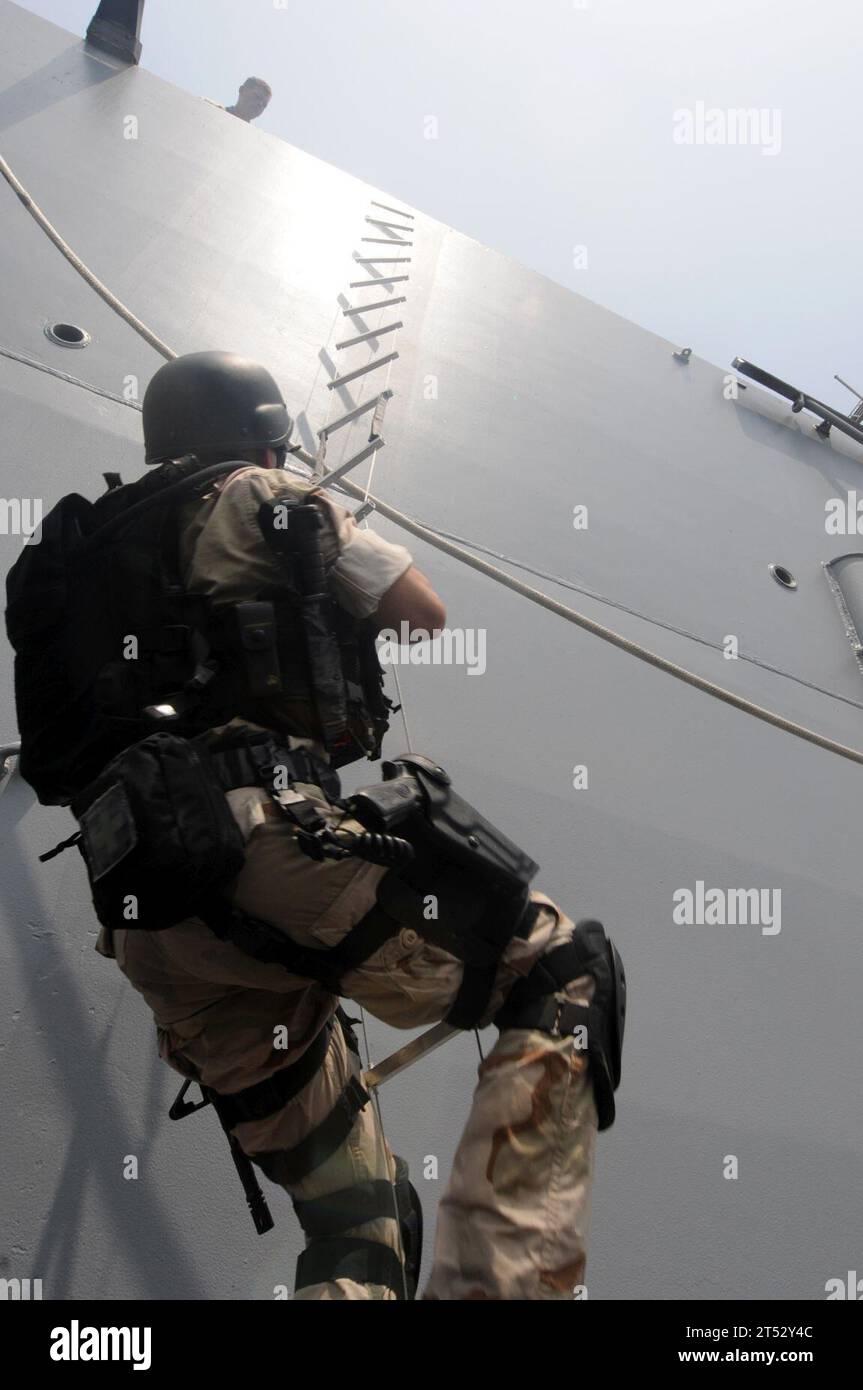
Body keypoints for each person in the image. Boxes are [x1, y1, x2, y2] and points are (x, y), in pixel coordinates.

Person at [32, 351, 625, 1299]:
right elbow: (421, 609)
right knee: (561, 967)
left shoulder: (89, 557)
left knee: (361, 1214)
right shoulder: (261, 491)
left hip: (152, 921)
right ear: (259, 431)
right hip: (265, 846)